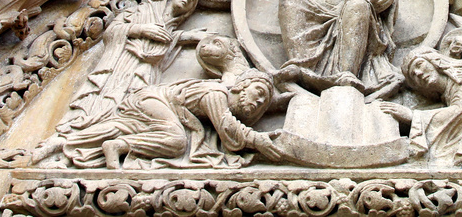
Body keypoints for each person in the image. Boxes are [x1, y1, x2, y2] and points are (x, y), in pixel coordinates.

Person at [36, 71, 282, 169]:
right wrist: (257, 140)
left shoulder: (218, 97)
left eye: (264, 103)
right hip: (153, 99)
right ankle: (118, 147)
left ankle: (63, 143)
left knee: (124, 127)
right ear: (241, 86)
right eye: (259, 92)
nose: (260, 101)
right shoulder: (216, 93)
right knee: (176, 140)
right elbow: (226, 127)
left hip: (155, 106)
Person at [57, 0, 205, 133]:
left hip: (145, 71)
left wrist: (190, 36)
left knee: (130, 105)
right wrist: (141, 29)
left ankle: (109, 130)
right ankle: (78, 128)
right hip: (120, 64)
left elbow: (167, 39)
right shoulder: (140, 10)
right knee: (104, 98)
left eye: (193, 1)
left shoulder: (170, 27)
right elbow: (112, 31)